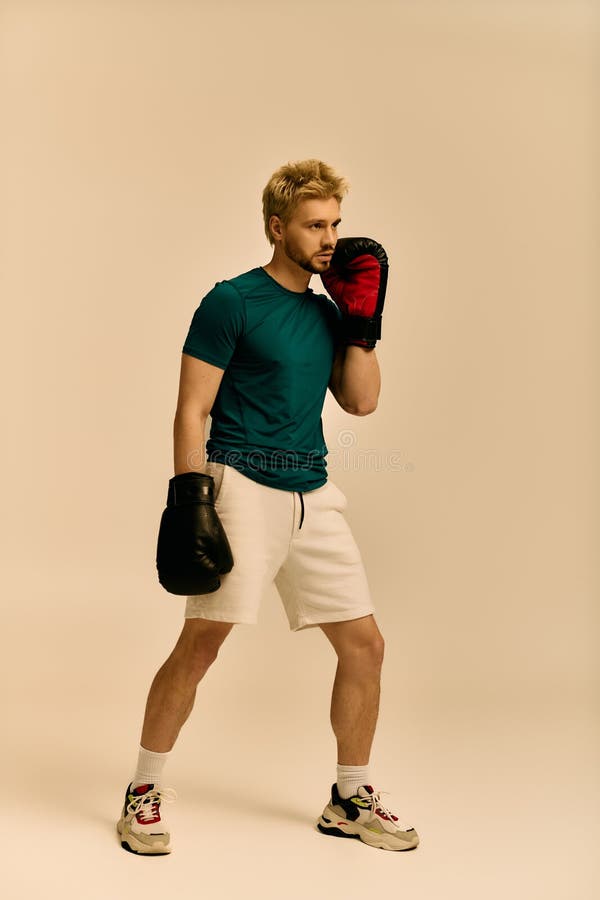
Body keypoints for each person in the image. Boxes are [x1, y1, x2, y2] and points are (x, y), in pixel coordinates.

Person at [116, 158, 419, 854]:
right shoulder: (233, 302)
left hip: (313, 493)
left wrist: (363, 323)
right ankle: (143, 791)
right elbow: (192, 408)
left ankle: (349, 798)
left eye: (336, 224)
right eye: (316, 225)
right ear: (277, 227)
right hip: (241, 486)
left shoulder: (325, 312)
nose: (330, 240)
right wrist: (189, 500)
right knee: (201, 645)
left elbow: (362, 401)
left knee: (365, 646)